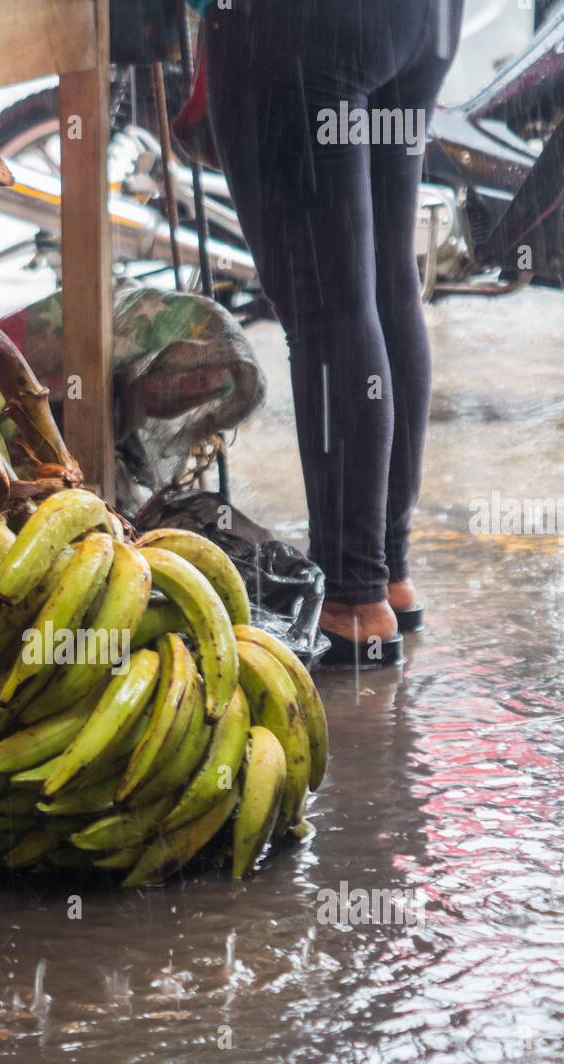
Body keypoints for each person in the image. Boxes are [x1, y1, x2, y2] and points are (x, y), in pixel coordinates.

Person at [202, 0, 465, 665]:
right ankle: (384, 573)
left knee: (329, 306)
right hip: (421, 22)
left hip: (304, 25)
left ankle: (352, 599)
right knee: (380, 285)